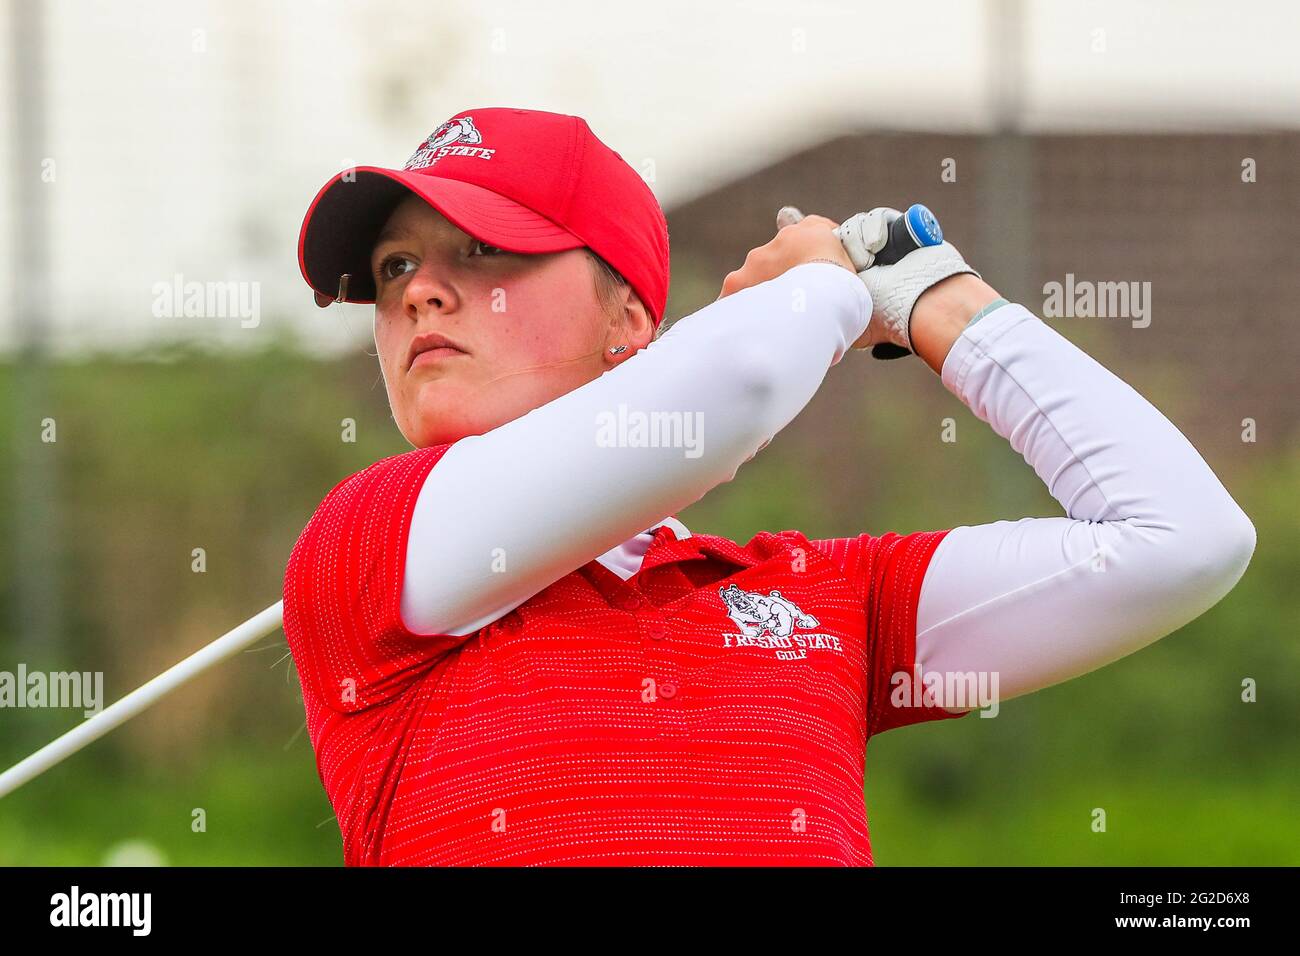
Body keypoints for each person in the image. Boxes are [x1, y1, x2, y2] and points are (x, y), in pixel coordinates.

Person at [283, 106, 1255, 866]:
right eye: (395, 264)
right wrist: (834, 283)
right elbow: (742, 382)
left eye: (481, 250)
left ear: (627, 312)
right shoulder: (364, 547)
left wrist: (933, 294)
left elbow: (1182, 537)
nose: (417, 290)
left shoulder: (823, 597)